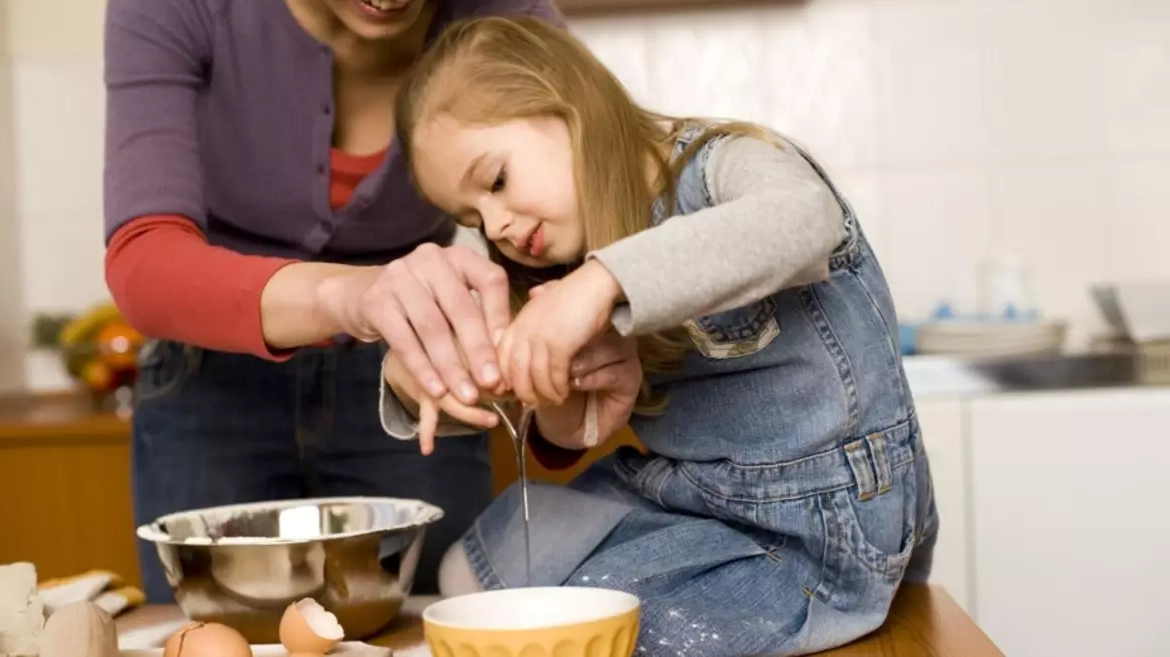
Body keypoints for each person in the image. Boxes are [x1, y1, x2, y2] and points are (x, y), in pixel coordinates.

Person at [380, 16, 941, 656]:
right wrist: (420, 371)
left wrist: (602, 282)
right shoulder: (557, 257)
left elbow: (805, 219)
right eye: (472, 218)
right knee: (477, 563)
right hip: (690, 496)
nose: (498, 225)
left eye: (498, 180)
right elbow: (566, 430)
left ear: (566, 105)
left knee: (587, 623)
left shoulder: (723, 165)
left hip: (817, 531)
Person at [101, 0, 565, 601]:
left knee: (436, 620)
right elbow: (144, 262)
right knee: (212, 634)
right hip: (209, 379)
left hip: (411, 376)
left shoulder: (505, 13)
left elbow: (584, 207)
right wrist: (355, 293)